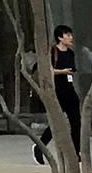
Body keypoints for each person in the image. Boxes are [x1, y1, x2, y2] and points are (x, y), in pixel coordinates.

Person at [33, 25, 81, 164]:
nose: (70, 37)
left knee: (76, 122)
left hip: (69, 90)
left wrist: (68, 72)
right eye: (67, 35)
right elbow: (45, 70)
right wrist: (62, 72)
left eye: (70, 35)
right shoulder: (52, 52)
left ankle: (75, 152)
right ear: (60, 37)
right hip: (56, 91)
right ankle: (40, 146)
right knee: (56, 123)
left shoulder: (71, 53)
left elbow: (72, 69)